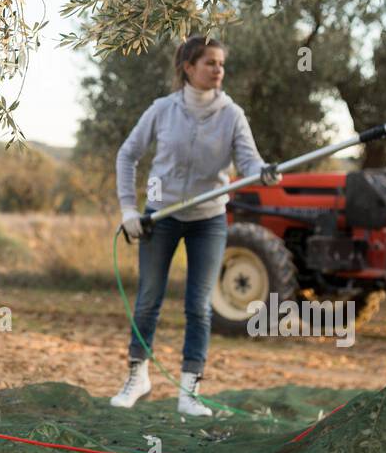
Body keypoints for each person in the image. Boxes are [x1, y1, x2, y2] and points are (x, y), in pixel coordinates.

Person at [112, 35, 280, 416]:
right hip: (161, 216)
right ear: (189, 67)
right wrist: (128, 210)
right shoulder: (162, 110)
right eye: (210, 63)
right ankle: (138, 377)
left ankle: (189, 392)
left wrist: (263, 173)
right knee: (148, 301)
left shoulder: (232, 114)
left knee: (199, 307)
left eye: (221, 64)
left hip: (209, 219)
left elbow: (249, 163)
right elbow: (128, 155)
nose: (219, 70)